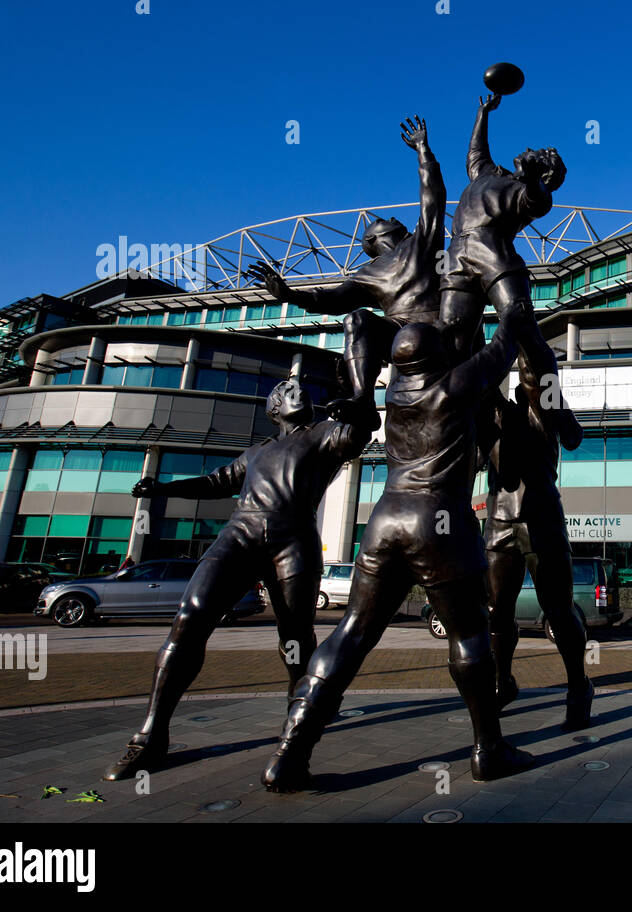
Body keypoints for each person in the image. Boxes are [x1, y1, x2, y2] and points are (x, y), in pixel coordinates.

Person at [261, 315, 534, 792]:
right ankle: (489, 749)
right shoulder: (452, 386)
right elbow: (503, 346)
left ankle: (289, 753)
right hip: (437, 523)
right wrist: (513, 309)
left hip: (385, 521)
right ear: (437, 357)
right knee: (470, 637)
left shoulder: (393, 396)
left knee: (351, 634)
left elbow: (362, 325)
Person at [101, 378, 374, 781]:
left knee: (295, 634)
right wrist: (162, 488)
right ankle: (150, 736)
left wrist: (357, 406)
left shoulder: (323, 435)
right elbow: (215, 482)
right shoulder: (255, 452)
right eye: (288, 387)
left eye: (302, 387)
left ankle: (297, 715)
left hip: (293, 537)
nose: (299, 389)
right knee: (191, 616)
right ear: (274, 406)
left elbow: (358, 431)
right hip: (240, 534)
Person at [246, 115, 444, 424]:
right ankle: (363, 399)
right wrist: (287, 294)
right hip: (398, 332)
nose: (392, 218)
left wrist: (423, 150)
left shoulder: (421, 242)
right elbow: (332, 299)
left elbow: (432, 198)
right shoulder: (367, 274)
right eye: (386, 220)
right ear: (374, 238)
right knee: (357, 318)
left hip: (437, 326)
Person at [437, 92, 582, 451]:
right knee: (452, 340)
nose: (532, 150)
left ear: (544, 173)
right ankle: (471, 422)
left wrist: (536, 180)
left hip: (494, 253)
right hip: (457, 253)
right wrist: (482, 113)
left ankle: (556, 407)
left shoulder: (527, 192)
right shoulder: (488, 173)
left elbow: (537, 199)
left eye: (540, 155)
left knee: (522, 330)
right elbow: (475, 152)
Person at [485, 356, 593, 730]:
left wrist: (551, 394)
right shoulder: (489, 407)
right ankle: (502, 682)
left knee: (559, 610)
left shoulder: (546, 407)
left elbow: (574, 436)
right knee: (497, 610)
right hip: (499, 519)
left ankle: (579, 685)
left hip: (542, 518)